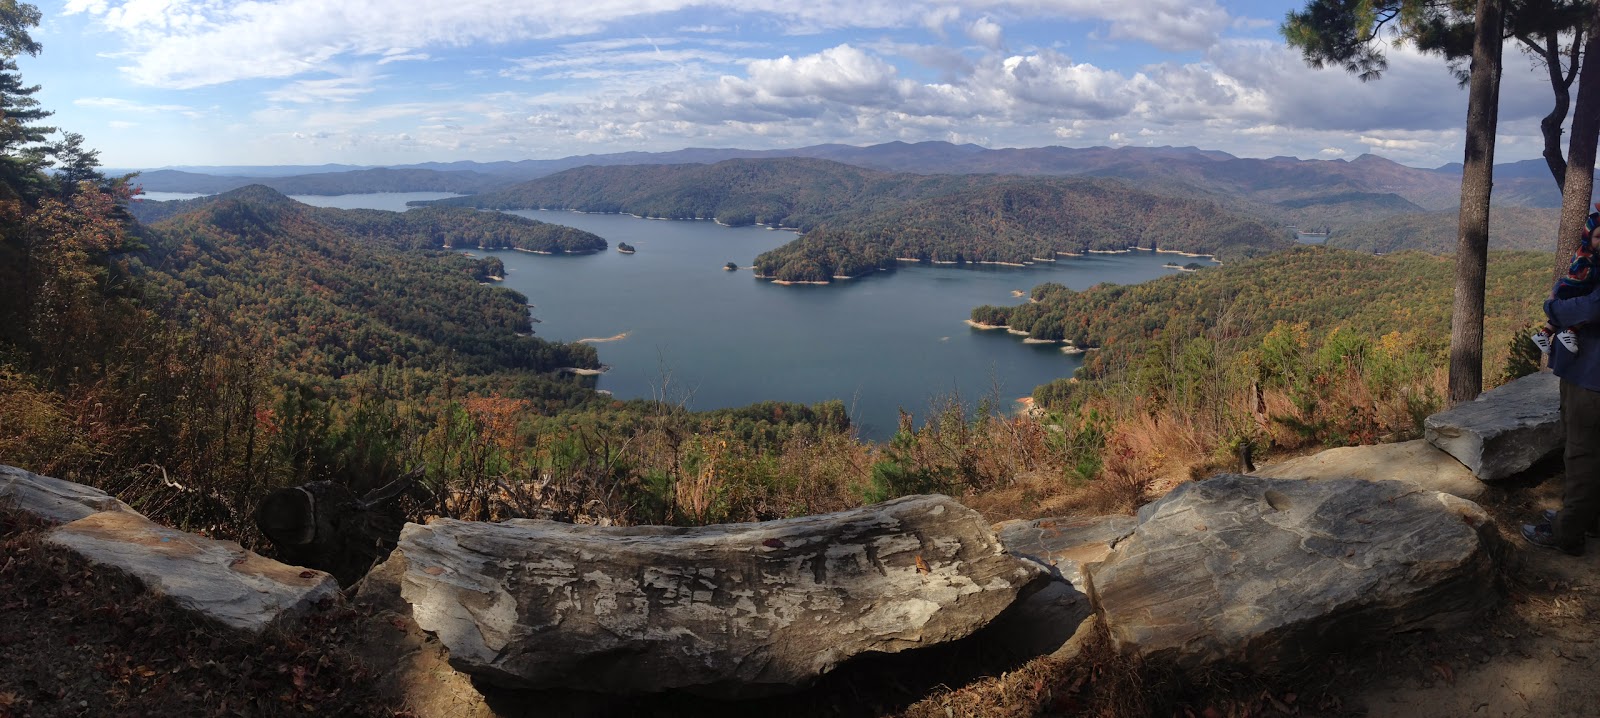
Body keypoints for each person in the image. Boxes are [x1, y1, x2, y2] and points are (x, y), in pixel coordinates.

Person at [1524, 202, 1600, 555]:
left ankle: (1568, 533)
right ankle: (1589, 518)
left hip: (1591, 374)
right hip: (1585, 370)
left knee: (1581, 453)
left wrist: (1552, 309)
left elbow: (1591, 307)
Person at [1531, 206, 1600, 355]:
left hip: (1569, 287)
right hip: (1574, 287)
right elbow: (1586, 275)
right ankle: (1569, 331)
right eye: (1598, 237)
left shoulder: (1591, 253)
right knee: (1581, 311)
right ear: (1588, 238)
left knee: (1573, 310)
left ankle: (1544, 334)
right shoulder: (1586, 256)